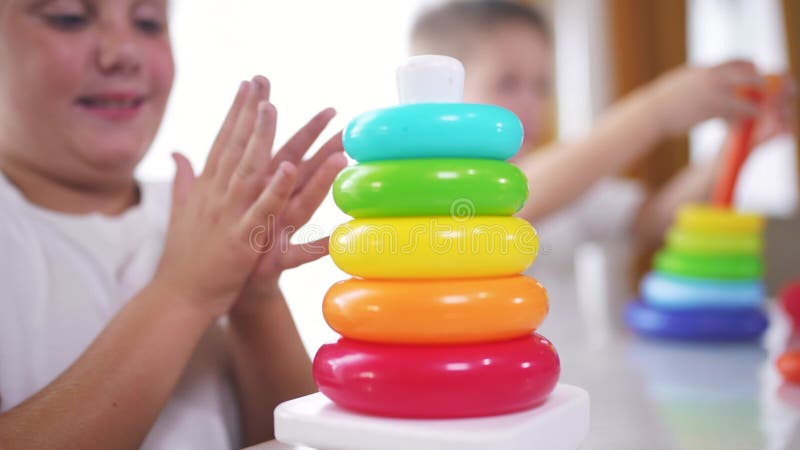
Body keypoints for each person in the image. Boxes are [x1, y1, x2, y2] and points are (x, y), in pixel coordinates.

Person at [0, 0, 346, 448]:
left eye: (147, 23)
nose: (122, 53)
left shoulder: (201, 214)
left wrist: (255, 299)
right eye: (68, 17)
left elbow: (291, 438)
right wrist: (185, 292)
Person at [410, 0, 795, 339]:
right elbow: (515, 198)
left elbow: (655, 219)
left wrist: (733, 150)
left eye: (541, 85)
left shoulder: (566, 179)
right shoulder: (428, 187)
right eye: (507, 83)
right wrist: (656, 110)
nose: (530, 102)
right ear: (446, 96)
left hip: (557, 391)